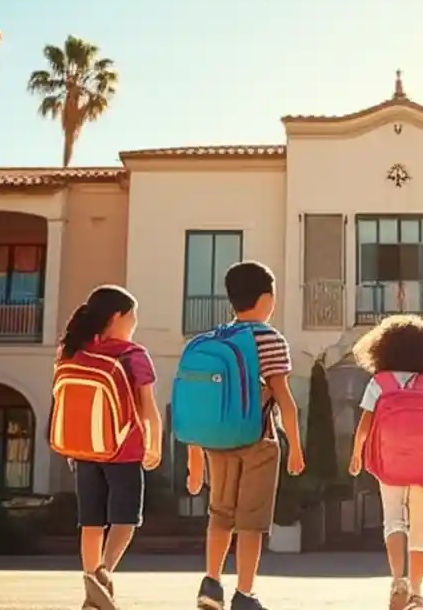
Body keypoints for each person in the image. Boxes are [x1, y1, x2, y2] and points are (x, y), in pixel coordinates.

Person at [187, 261, 305, 610]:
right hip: (258, 440)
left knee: (219, 513)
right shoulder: (271, 339)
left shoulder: (214, 340)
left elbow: (197, 404)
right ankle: (245, 593)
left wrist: (195, 458)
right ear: (267, 299)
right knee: (251, 521)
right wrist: (296, 447)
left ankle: (211, 584)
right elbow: (284, 399)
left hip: (216, 441)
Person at [348, 314, 423, 610]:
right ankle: (416, 591)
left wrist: (356, 455)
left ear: (383, 348)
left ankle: (397, 579)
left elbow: (364, 424)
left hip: (388, 465)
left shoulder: (380, 382)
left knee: (393, 520)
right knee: (420, 529)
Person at [55, 285, 162, 610]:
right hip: (124, 450)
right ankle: (101, 577)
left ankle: (91, 580)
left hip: (83, 449)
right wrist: (154, 445)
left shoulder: (73, 350)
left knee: (90, 522)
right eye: (133, 316)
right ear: (117, 317)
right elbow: (148, 408)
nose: (135, 322)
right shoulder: (133, 355)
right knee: (125, 520)